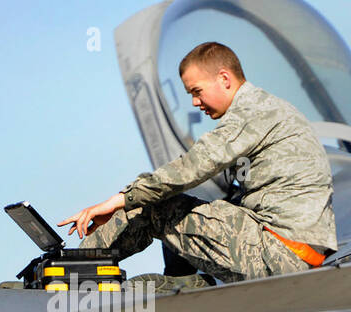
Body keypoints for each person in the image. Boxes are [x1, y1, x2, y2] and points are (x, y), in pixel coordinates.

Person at [57, 41, 336, 288]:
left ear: (224, 79)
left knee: (152, 206)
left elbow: (194, 165)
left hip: (277, 254)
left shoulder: (253, 111)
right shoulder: (271, 109)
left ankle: (65, 276)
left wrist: (120, 200)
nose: (194, 102)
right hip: (290, 254)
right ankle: (155, 283)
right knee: (170, 260)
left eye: (197, 91)